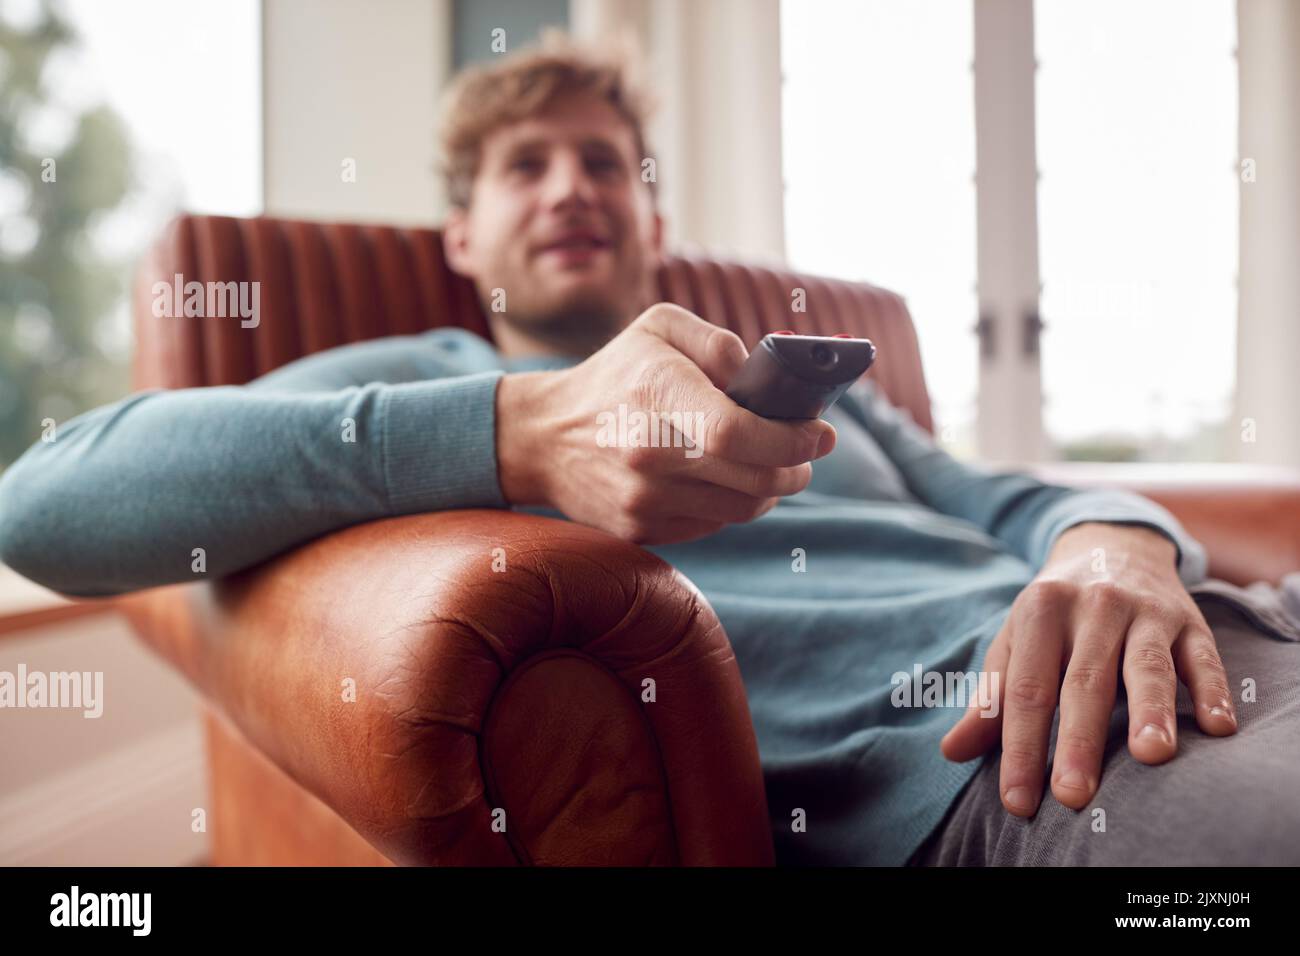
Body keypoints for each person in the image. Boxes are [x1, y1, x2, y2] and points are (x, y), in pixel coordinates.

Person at [1, 34, 1297, 866]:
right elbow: (45, 506)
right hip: (1026, 765)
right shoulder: (427, 376)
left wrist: (1118, 539)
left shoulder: (787, 373)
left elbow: (1007, 496)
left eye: (603, 163)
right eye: (526, 166)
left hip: (1229, 632)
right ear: (462, 238)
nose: (571, 186)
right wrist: (520, 435)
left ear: (651, 216)